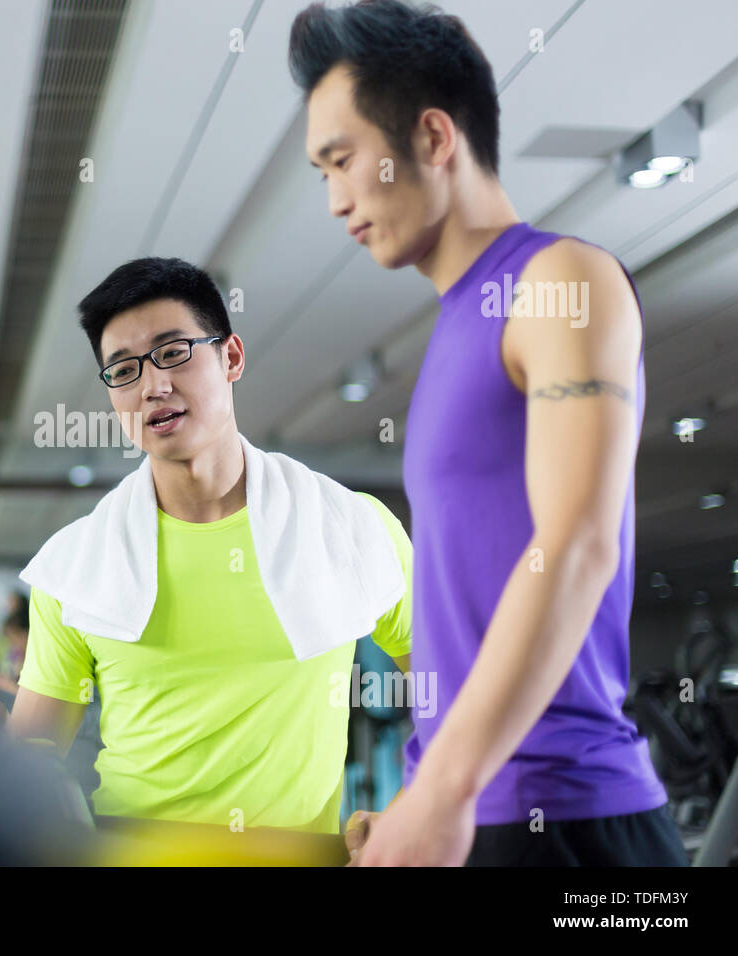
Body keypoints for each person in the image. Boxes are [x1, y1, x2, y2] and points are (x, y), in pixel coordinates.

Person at [289, 0, 686, 865]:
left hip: (575, 822)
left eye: (344, 161)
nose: (334, 200)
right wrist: (415, 797)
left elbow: (577, 545)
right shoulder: (454, 330)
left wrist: (444, 788)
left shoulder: (559, 279)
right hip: (485, 815)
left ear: (434, 138)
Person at [0, 257, 415, 836]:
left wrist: (409, 815)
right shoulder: (77, 565)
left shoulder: (350, 527)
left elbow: (457, 701)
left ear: (231, 357)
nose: (153, 385)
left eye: (173, 352)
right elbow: (33, 756)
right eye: (122, 370)